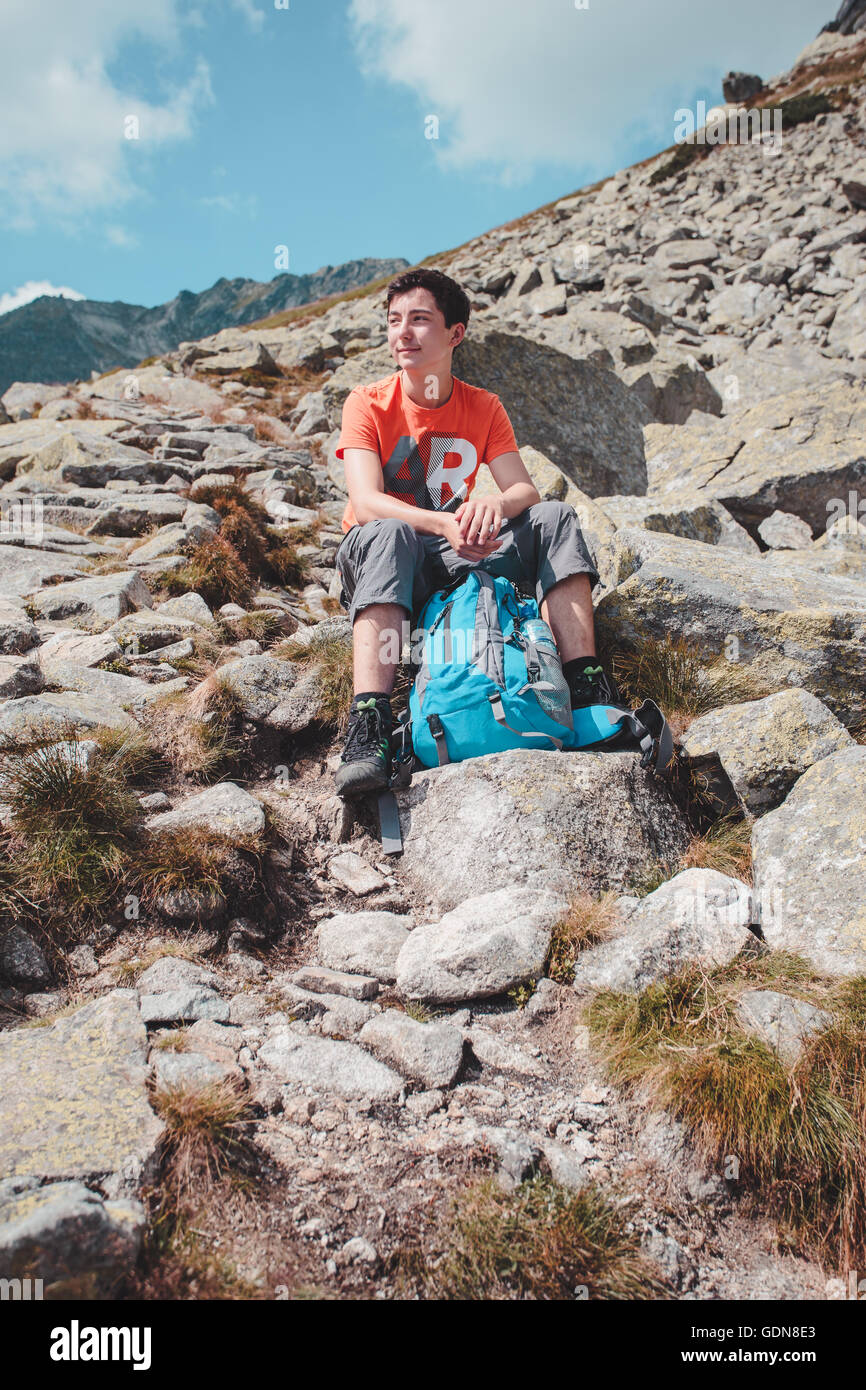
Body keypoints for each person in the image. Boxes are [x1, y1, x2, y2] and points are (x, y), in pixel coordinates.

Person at [332, 267, 617, 798]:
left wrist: (492, 502)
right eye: (395, 321)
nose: (403, 334)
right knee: (390, 530)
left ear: (455, 333)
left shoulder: (483, 406)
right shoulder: (366, 403)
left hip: (450, 553)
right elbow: (366, 502)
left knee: (554, 519)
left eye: (420, 320)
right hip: (382, 554)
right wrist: (445, 521)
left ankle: (584, 683)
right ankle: (369, 719)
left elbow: (524, 492)